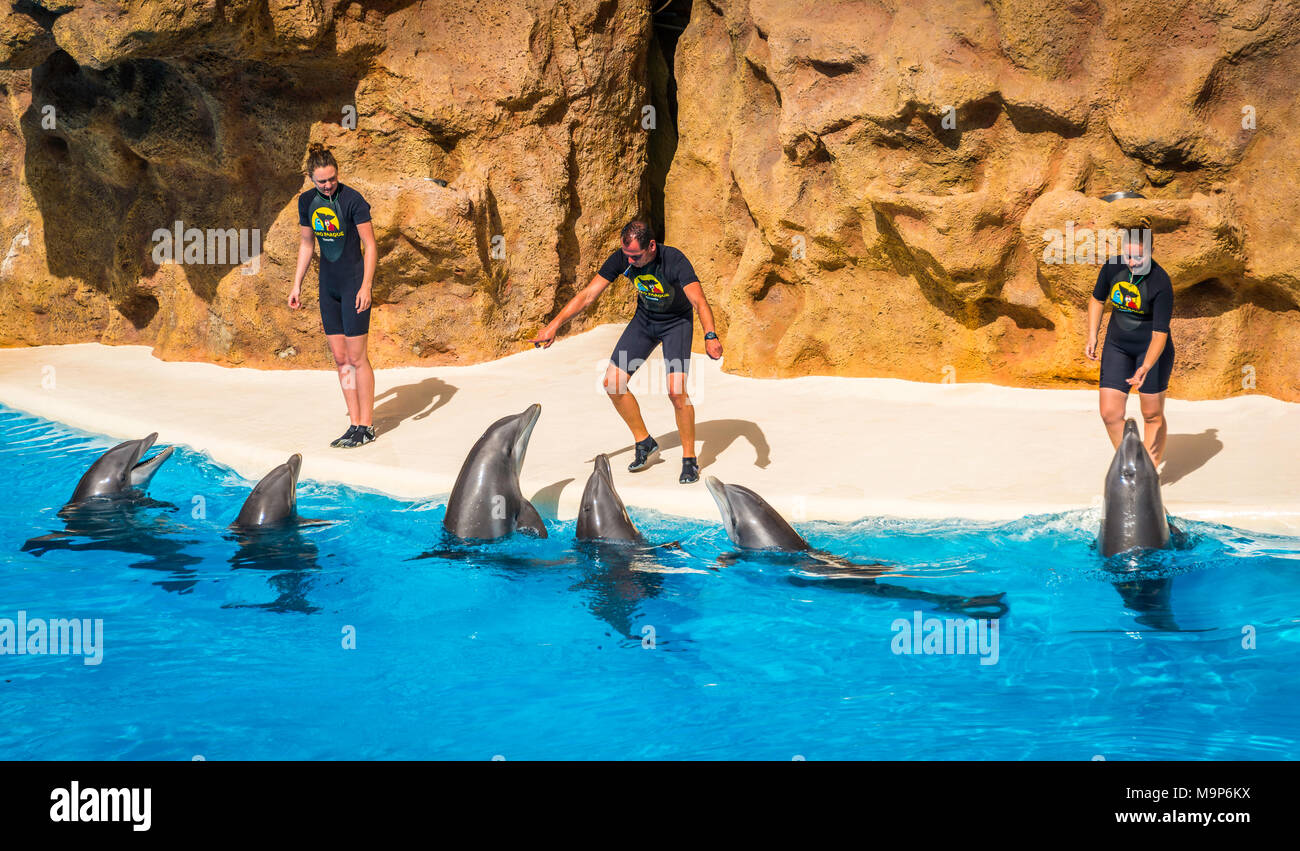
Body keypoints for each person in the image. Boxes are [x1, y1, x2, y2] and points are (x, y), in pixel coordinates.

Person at [530, 220, 723, 483]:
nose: (629, 261)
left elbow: (699, 301)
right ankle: (644, 441)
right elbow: (588, 295)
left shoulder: (674, 259)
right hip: (645, 321)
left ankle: (689, 459)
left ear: (652, 246)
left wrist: (710, 335)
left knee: (677, 391)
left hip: (676, 324)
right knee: (613, 383)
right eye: (627, 255)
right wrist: (553, 326)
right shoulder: (623, 257)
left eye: (636, 255)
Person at [288, 144, 379, 448]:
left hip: (353, 284)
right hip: (327, 286)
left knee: (357, 357)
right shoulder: (306, 202)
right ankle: (353, 422)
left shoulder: (353, 200)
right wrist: (297, 284)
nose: (328, 185)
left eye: (331, 179)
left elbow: (370, 246)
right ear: (311, 179)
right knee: (341, 360)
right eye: (321, 181)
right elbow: (306, 245)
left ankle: (367, 425)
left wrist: (366, 286)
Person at [1085, 215, 1174, 466]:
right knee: (1110, 413)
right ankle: (1130, 464)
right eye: (1128, 256)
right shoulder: (1113, 267)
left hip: (1151, 351)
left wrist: (1145, 367)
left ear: (1151, 251)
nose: (1132, 262)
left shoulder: (1160, 282)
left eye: (1139, 257)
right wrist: (1093, 335)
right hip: (1117, 346)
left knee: (1151, 414)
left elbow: (1160, 334)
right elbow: (1097, 300)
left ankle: (1151, 471)